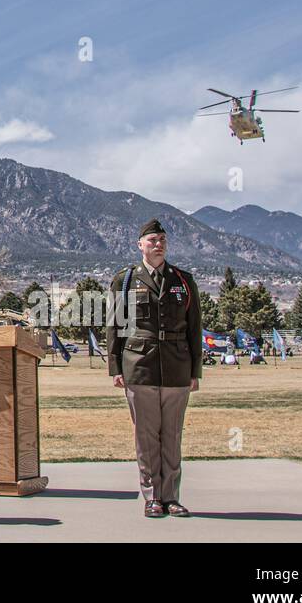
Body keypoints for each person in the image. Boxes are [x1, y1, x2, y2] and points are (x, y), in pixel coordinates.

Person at [104, 219, 202, 519]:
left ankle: (171, 496)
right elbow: (114, 325)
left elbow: (194, 328)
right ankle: (151, 496)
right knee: (146, 436)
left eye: (162, 239)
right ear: (140, 245)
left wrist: (195, 371)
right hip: (140, 365)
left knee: (172, 434)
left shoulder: (183, 281)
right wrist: (115, 366)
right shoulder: (125, 280)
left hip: (176, 365)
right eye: (152, 240)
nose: (158, 245)